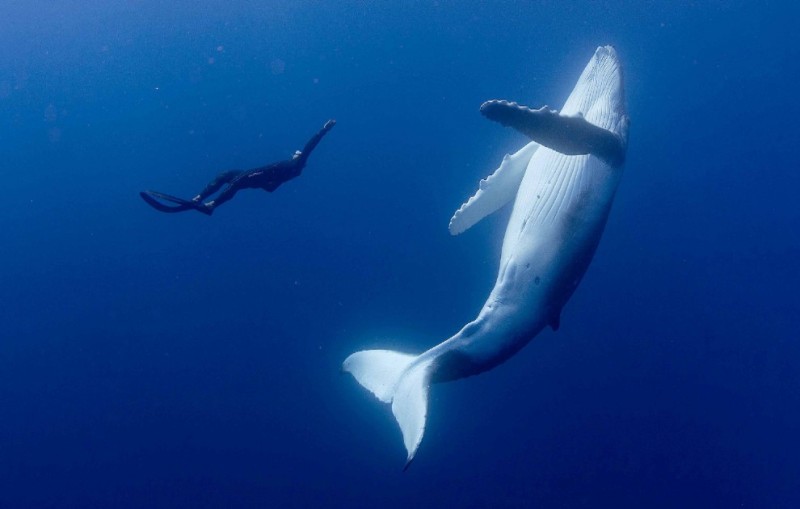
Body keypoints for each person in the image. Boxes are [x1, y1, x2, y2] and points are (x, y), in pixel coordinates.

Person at [141, 119, 336, 215]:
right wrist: (268, 183)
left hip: (261, 176)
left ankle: (211, 206)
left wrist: (323, 131)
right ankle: (200, 197)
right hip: (263, 178)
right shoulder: (293, 167)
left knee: (238, 180)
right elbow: (271, 189)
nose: (295, 152)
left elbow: (310, 147)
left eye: (298, 152)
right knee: (228, 175)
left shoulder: (298, 163)